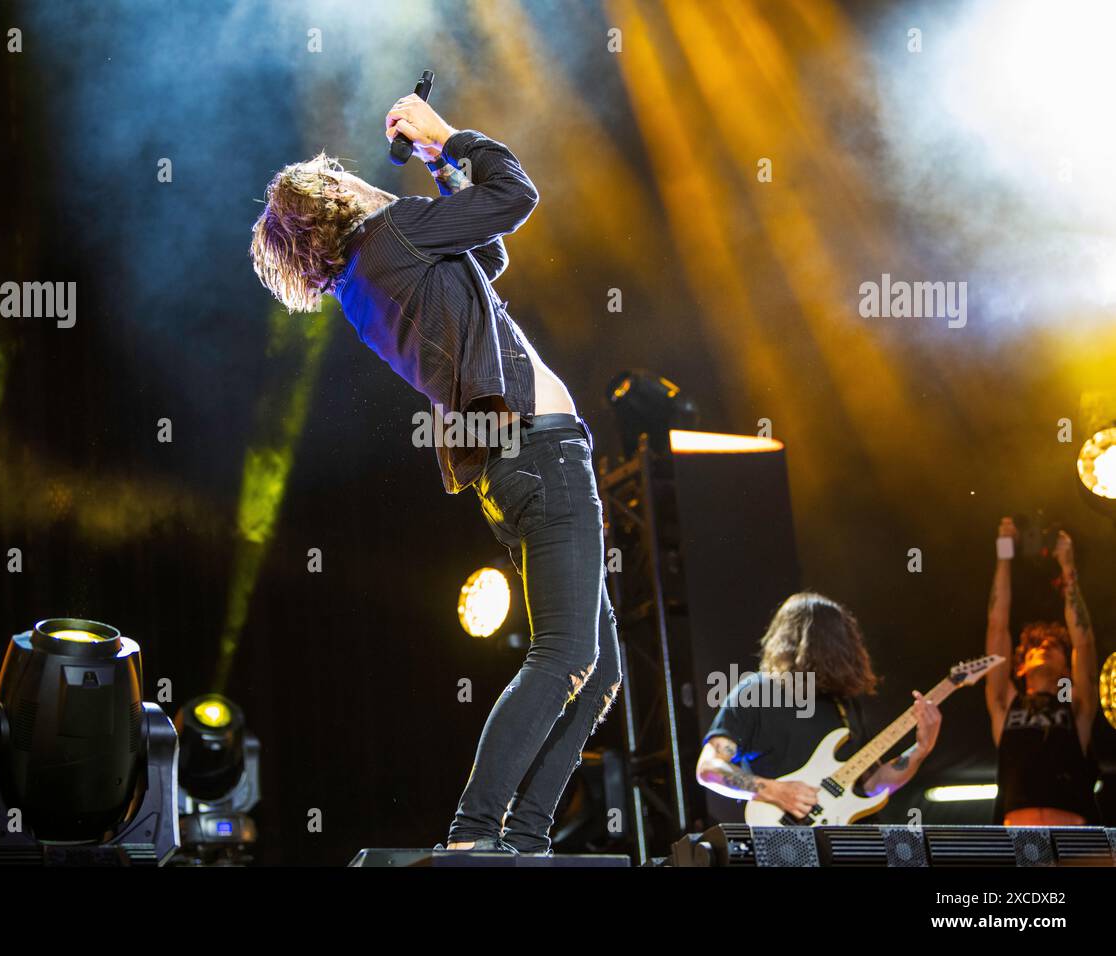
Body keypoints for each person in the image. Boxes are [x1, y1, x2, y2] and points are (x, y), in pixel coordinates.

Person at [250, 95, 620, 853]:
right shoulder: (389, 235)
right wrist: (447, 136)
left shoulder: (366, 275)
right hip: (540, 457)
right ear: (336, 198)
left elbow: (485, 255)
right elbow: (516, 196)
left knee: (598, 667)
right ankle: (476, 834)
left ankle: (522, 838)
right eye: (346, 178)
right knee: (565, 658)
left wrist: (438, 166)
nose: (360, 180)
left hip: (513, 469)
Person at [696, 592, 941, 821]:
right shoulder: (756, 692)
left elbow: (872, 785)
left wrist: (920, 749)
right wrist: (776, 791)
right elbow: (709, 768)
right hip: (785, 840)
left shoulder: (844, 702)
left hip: (846, 843)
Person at [984, 518, 1098, 825]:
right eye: (1036, 646)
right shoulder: (1005, 702)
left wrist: (1067, 567)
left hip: (1074, 840)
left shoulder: (1076, 706)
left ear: (1067, 666)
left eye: (1055, 646)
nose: (1045, 647)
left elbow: (1084, 641)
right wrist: (1004, 556)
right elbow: (998, 627)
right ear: (1020, 664)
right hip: (1016, 840)